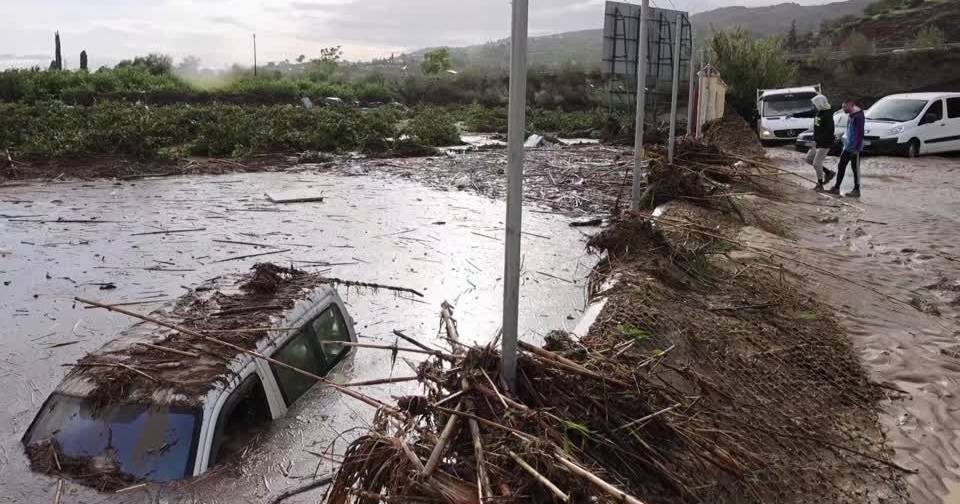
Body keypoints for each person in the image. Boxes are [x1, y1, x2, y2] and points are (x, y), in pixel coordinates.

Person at [828, 100, 864, 198]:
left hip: (855, 148)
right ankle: (836, 187)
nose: (843, 109)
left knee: (855, 168)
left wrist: (856, 148)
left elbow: (860, 134)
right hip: (847, 146)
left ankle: (857, 190)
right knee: (841, 166)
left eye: (845, 107)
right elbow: (849, 131)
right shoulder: (851, 116)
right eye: (842, 107)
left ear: (851, 105)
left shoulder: (858, 117)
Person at [806, 94, 835, 191]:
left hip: (825, 143)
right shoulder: (818, 112)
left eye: (814, 104)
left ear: (820, 103)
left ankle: (820, 184)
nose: (813, 106)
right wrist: (793, 115)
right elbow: (807, 113)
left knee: (816, 163)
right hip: (817, 142)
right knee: (809, 159)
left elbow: (829, 131)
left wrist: (817, 140)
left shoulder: (827, 115)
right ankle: (828, 172)